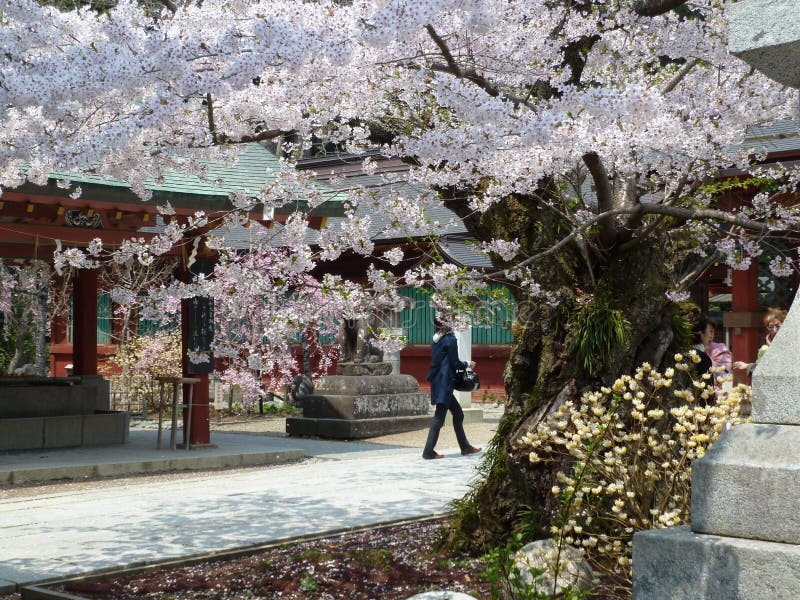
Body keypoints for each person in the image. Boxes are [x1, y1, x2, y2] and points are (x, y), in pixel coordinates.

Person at [422, 318, 482, 460]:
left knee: (458, 414)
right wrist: (468, 363)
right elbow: (455, 363)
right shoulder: (450, 339)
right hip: (445, 383)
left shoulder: (437, 339)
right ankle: (428, 451)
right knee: (439, 418)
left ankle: (465, 447)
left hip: (439, 381)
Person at [733, 307, 788, 376]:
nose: (774, 330)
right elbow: (762, 370)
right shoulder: (764, 349)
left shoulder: (792, 344)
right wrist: (747, 366)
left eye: (778, 326)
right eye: (770, 327)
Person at [694, 315, 732, 396]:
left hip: (717, 395)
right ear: (701, 333)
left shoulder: (720, 349)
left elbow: (724, 375)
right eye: (710, 331)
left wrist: (706, 354)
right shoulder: (691, 351)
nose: (711, 335)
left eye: (712, 331)